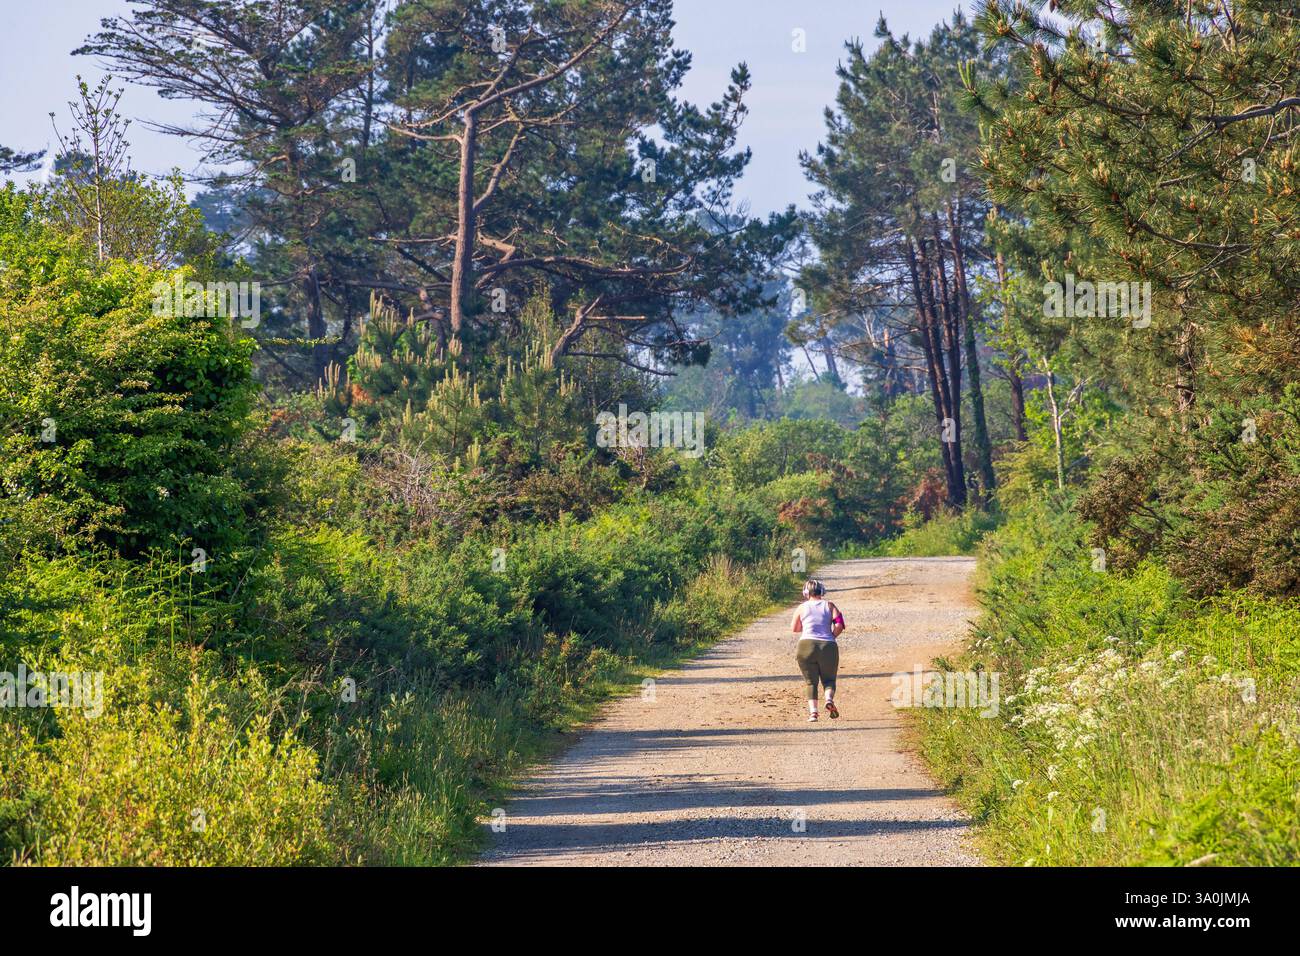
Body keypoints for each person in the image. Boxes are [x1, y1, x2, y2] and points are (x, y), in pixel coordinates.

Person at [791, 579, 845, 722]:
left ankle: (813, 713)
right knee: (829, 680)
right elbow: (840, 625)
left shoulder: (801, 608)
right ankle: (828, 699)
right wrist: (831, 636)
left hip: (805, 646)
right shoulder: (830, 605)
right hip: (828, 646)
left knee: (811, 682)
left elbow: (795, 628)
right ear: (822, 592)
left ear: (805, 593)